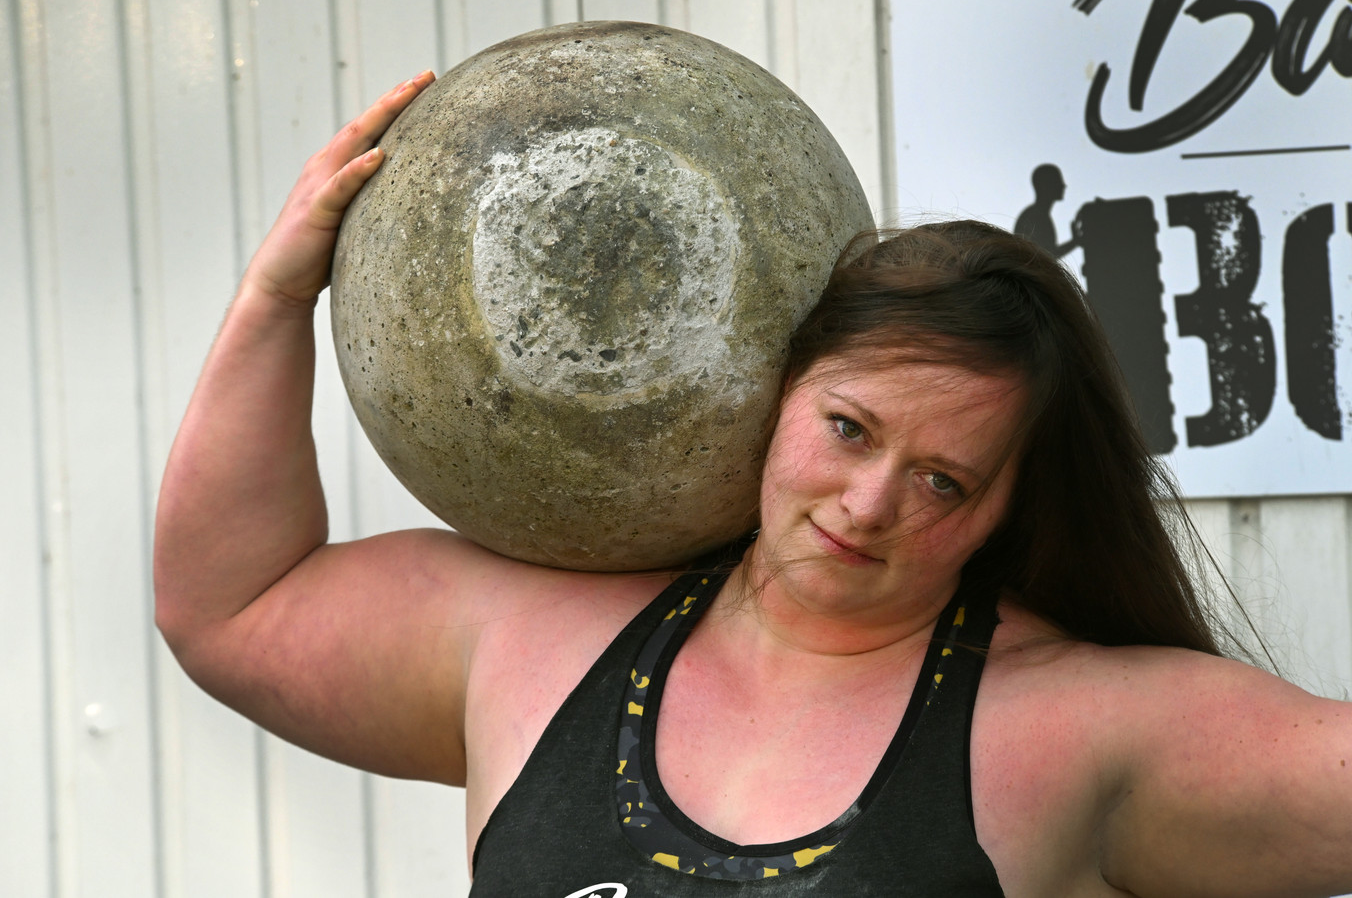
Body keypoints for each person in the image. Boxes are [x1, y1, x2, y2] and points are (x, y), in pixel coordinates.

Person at [154, 74, 1352, 896]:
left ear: (1003, 510)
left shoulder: (1081, 723)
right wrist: (275, 301)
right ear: (773, 394)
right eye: (847, 427)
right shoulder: (538, 640)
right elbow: (233, 602)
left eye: (942, 479)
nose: (870, 502)